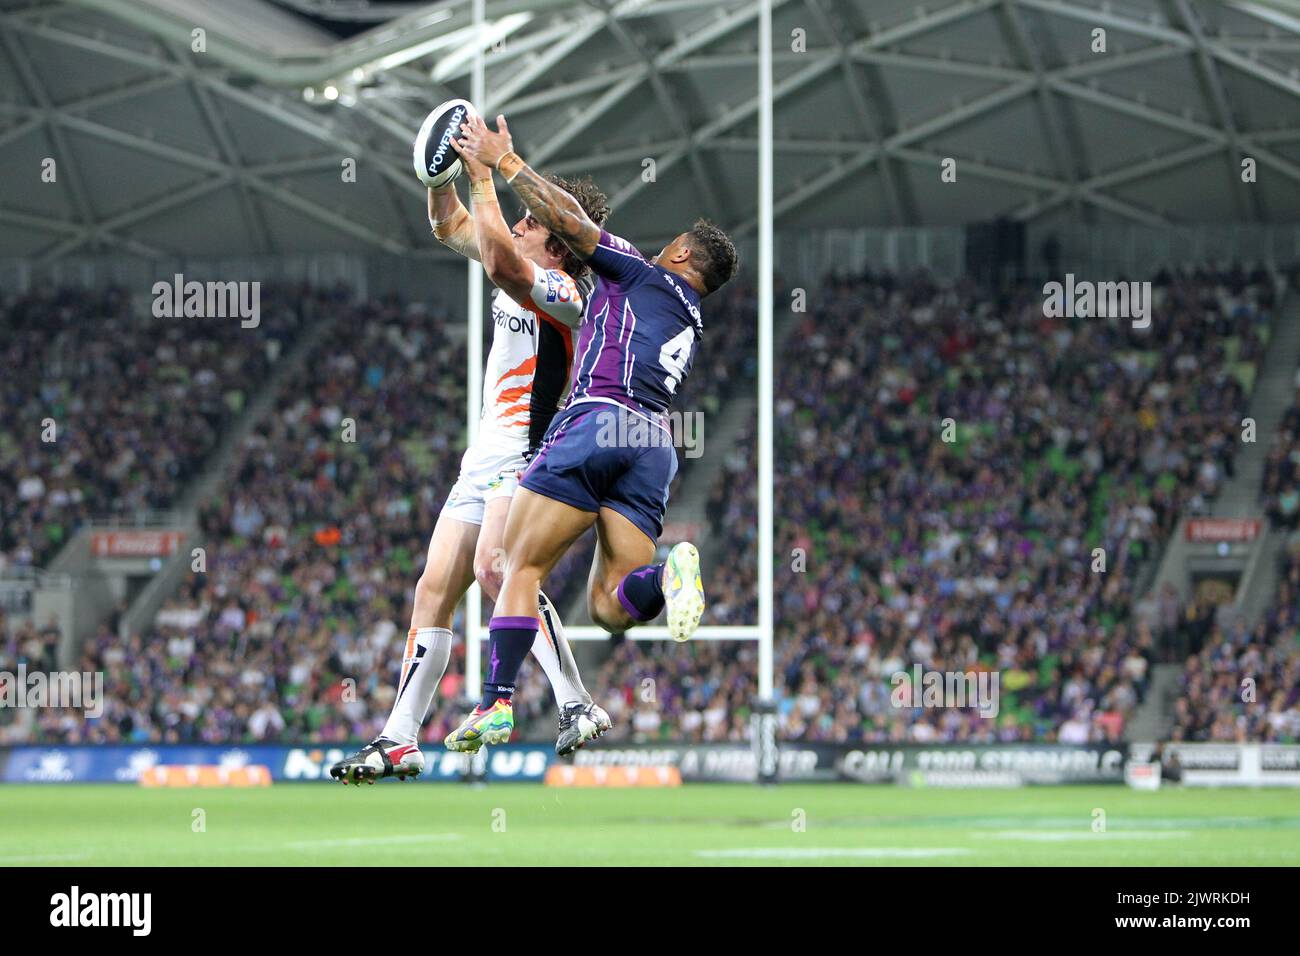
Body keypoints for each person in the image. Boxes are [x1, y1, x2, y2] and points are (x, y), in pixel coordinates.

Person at [441, 112, 739, 751]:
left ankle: (495, 703)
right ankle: (667, 577)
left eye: (671, 242)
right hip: (653, 446)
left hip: (597, 419)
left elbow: (571, 223)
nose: (660, 245)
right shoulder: (687, 317)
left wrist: (504, 163)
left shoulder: (640, 272)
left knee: (518, 564)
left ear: (683, 255)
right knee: (610, 608)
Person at [330, 143, 614, 784]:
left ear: (559, 243)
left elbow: (501, 265)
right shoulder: (512, 253)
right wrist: (441, 177)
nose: (517, 225)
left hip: (525, 450)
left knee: (497, 568)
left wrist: (485, 176)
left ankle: (575, 701)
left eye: (531, 222)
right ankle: (399, 740)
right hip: (482, 452)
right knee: (432, 590)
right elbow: (450, 226)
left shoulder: (566, 291)